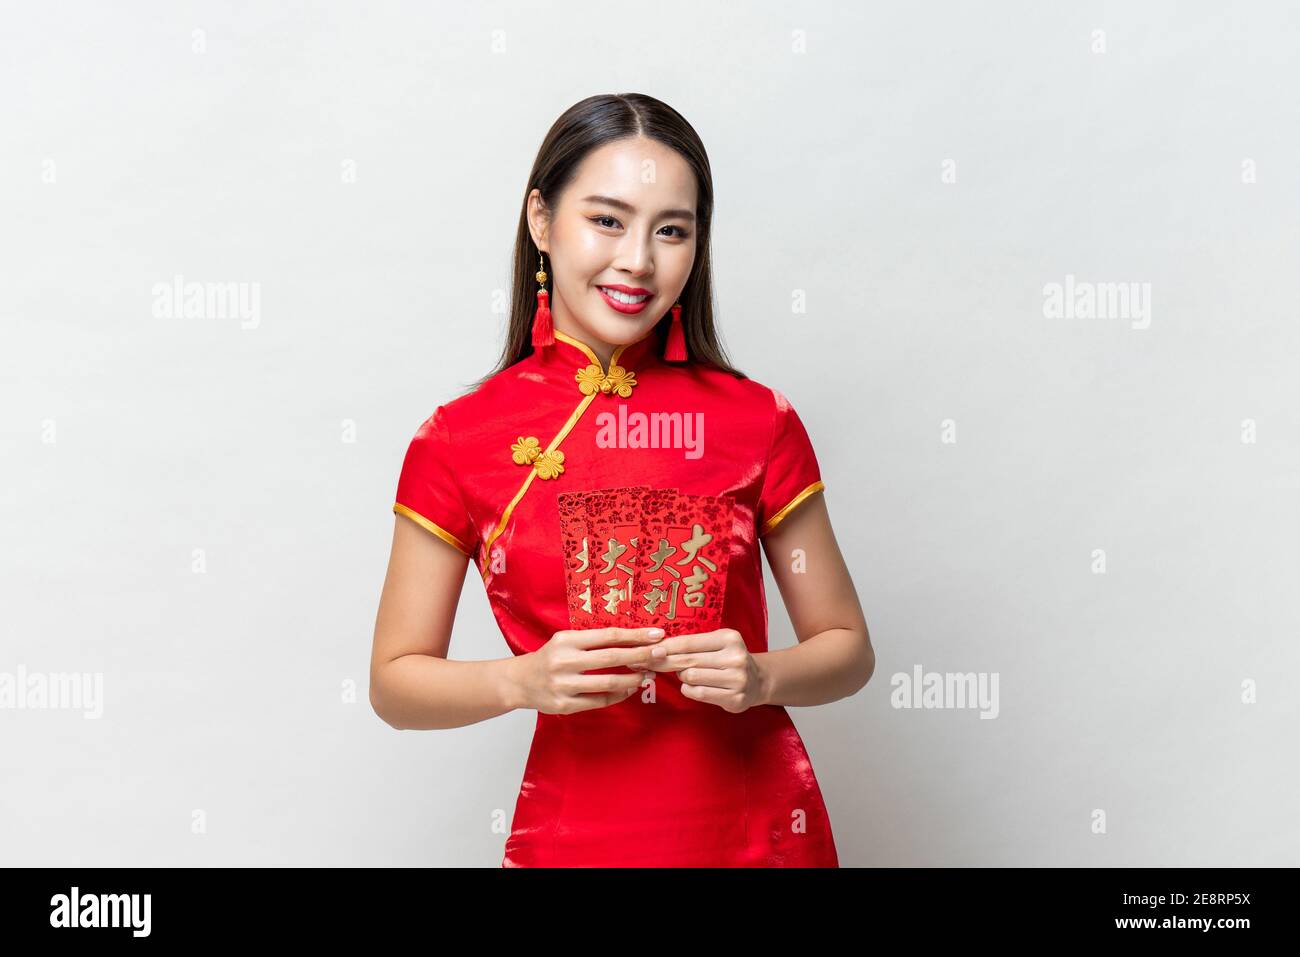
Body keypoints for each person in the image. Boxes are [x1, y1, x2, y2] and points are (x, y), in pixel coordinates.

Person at [370, 93, 874, 867]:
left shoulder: (758, 421)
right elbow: (394, 682)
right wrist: (523, 679)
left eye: (671, 230)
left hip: (758, 833)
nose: (639, 259)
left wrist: (761, 674)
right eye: (607, 219)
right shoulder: (458, 440)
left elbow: (847, 648)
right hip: (577, 836)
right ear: (541, 219)